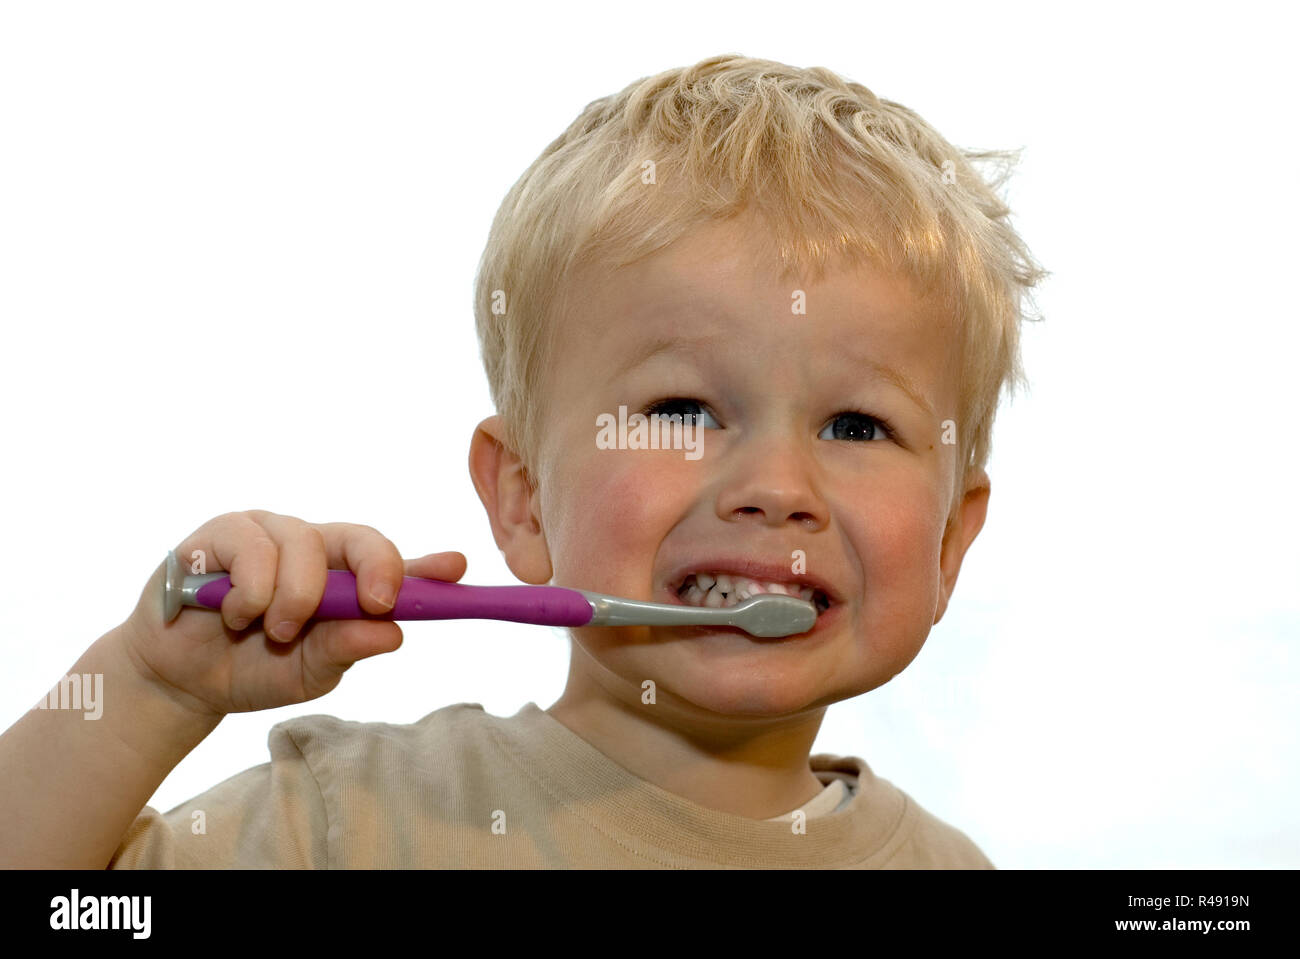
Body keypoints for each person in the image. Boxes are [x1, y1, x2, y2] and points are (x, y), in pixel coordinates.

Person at [0, 53, 1046, 868]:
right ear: (524, 495)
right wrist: (147, 687)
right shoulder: (348, 820)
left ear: (952, 536)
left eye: (856, 427)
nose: (776, 487)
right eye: (682, 409)